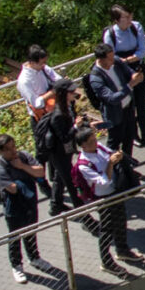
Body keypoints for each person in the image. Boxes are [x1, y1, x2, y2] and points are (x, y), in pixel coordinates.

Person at [70, 124, 134, 273]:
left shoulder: (99, 147)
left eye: (95, 139)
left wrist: (117, 156)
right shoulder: (83, 165)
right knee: (106, 229)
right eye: (91, 142)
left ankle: (123, 250)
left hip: (114, 191)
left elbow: (110, 154)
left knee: (121, 220)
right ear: (83, 146)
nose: (95, 143)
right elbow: (103, 181)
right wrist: (111, 163)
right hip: (103, 198)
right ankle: (106, 262)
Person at [0, 133, 47, 281]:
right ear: (1, 151)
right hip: (13, 207)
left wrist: (22, 166)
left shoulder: (24, 157)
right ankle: (16, 266)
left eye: (13, 146)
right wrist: (27, 175)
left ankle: (34, 257)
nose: (13, 151)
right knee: (14, 237)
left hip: (30, 201)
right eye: (8, 149)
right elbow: (12, 188)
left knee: (31, 231)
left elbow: (40, 172)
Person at [102, 4, 145, 154]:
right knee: (129, 105)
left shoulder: (136, 27)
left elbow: (142, 49)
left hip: (137, 66)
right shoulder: (110, 34)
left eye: (130, 15)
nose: (130, 19)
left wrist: (131, 59)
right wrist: (125, 62)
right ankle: (134, 135)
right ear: (116, 20)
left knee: (142, 102)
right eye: (125, 17)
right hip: (121, 71)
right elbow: (111, 56)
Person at [36, 80, 82, 217]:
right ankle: (83, 215)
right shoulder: (58, 115)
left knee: (59, 178)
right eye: (71, 92)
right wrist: (76, 127)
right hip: (58, 153)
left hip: (66, 151)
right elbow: (64, 137)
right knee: (71, 183)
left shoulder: (68, 106)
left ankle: (55, 205)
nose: (74, 93)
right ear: (63, 94)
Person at [85, 42, 139, 155]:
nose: (113, 60)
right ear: (101, 59)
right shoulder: (96, 78)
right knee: (114, 142)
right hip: (114, 114)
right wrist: (130, 85)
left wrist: (135, 75)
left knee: (129, 138)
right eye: (109, 59)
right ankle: (113, 164)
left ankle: (128, 163)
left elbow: (129, 72)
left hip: (128, 107)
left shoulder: (116, 61)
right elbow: (112, 98)